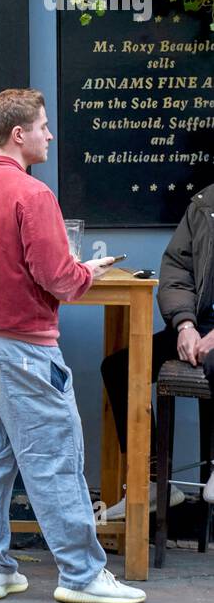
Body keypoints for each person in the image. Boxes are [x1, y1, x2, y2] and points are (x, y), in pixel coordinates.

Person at [0, 88, 145, 603]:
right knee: (54, 455)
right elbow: (57, 277)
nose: (50, 135)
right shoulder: (33, 196)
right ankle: (81, 574)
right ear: (19, 134)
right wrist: (85, 272)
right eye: (43, 127)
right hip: (25, 346)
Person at [99, 182, 214, 519]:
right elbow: (177, 271)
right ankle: (149, 484)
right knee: (119, 368)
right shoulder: (204, 204)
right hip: (197, 325)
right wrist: (185, 325)